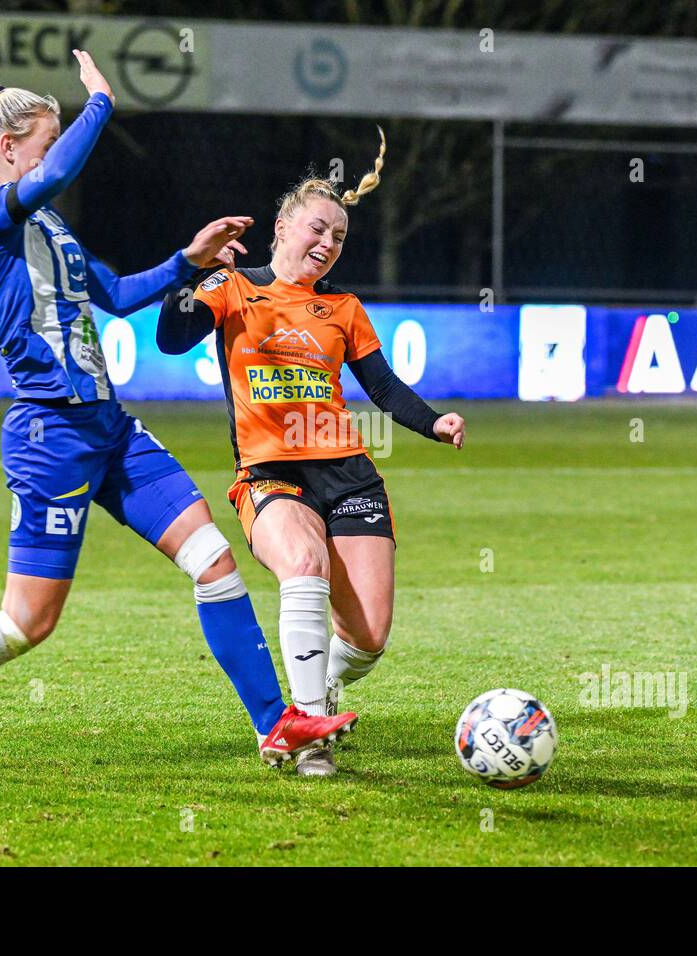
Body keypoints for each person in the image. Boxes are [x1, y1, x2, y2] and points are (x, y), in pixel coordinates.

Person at [0, 51, 356, 768]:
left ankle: (275, 724)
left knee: (213, 559)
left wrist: (189, 260)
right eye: (47, 141)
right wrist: (100, 105)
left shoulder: (48, 227)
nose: (55, 155)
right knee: (27, 623)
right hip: (49, 433)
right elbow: (54, 176)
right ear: (8, 147)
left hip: (110, 428)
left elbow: (114, 295)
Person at [156, 129, 465, 777]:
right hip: (270, 473)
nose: (327, 243)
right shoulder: (231, 286)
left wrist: (433, 422)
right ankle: (305, 735)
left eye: (339, 237)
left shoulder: (343, 307)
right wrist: (191, 265)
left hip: (349, 476)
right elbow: (172, 338)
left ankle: (319, 690)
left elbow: (383, 387)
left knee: (369, 638)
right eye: (317, 229)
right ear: (283, 228)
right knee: (303, 562)